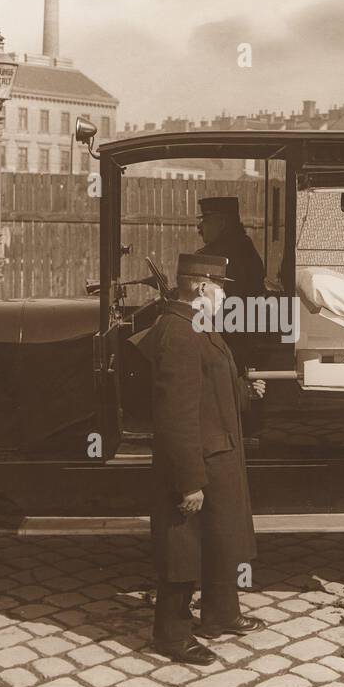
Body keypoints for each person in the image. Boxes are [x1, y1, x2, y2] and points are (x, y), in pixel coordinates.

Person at [143, 253, 266, 665]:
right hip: (198, 461)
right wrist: (189, 481)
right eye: (221, 287)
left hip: (220, 453)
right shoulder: (178, 333)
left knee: (223, 538)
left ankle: (220, 614)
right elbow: (176, 416)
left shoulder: (198, 327)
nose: (226, 294)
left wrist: (247, 392)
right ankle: (171, 636)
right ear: (200, 288)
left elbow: (214, 387)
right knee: (182, 549)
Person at [195, 197, 267, 371]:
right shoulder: (243, 246)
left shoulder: (217, 255)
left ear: (221, 223)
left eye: (205, 220)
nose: (199, 228)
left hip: (227, 342)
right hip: (238, 339)